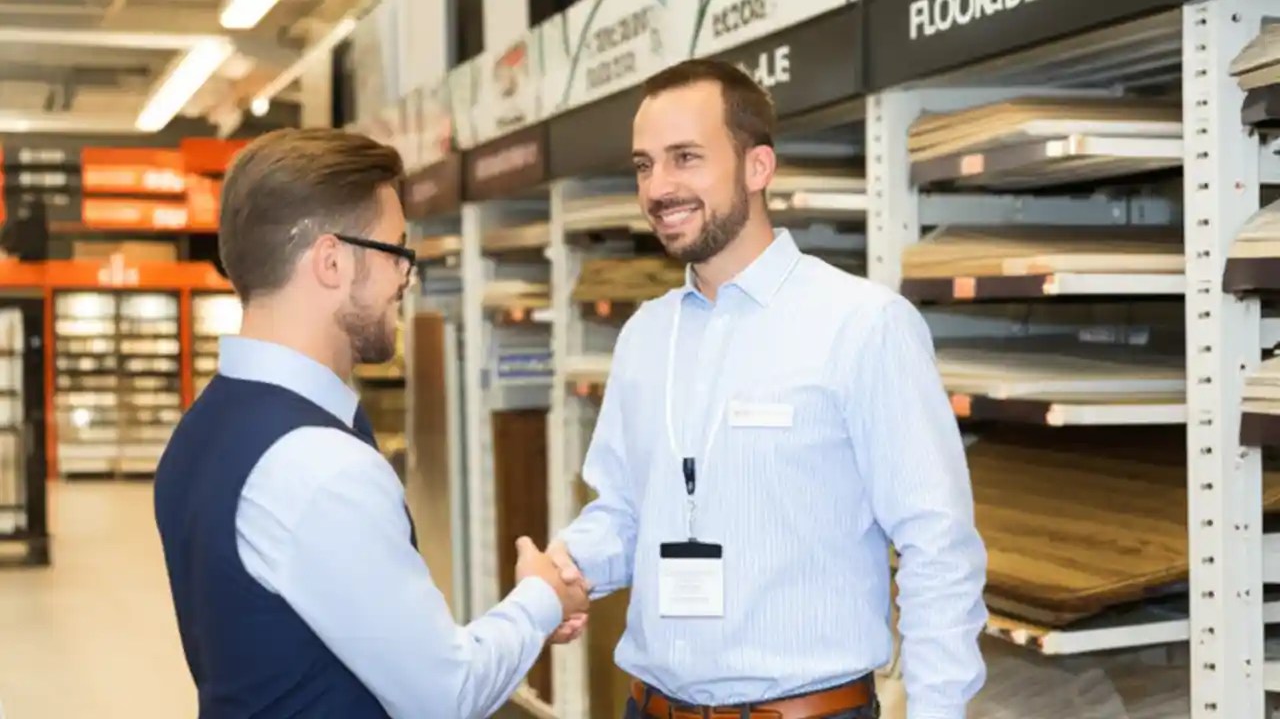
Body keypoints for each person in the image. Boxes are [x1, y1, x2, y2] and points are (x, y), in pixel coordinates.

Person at [544, 59, 989, 719]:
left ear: (758, 167)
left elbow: (938, 547)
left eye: (685, 158)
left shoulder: (863, 325)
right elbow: (625, 514)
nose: (658, 187)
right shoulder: (645, 336)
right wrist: (563, 573)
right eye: (644, 165)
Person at [153, 127, 588, 719]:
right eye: (397, 253)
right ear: (332, 261)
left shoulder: (204, 429)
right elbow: (445, 695)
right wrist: (542, 598)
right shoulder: (318, 466)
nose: (404, 280)